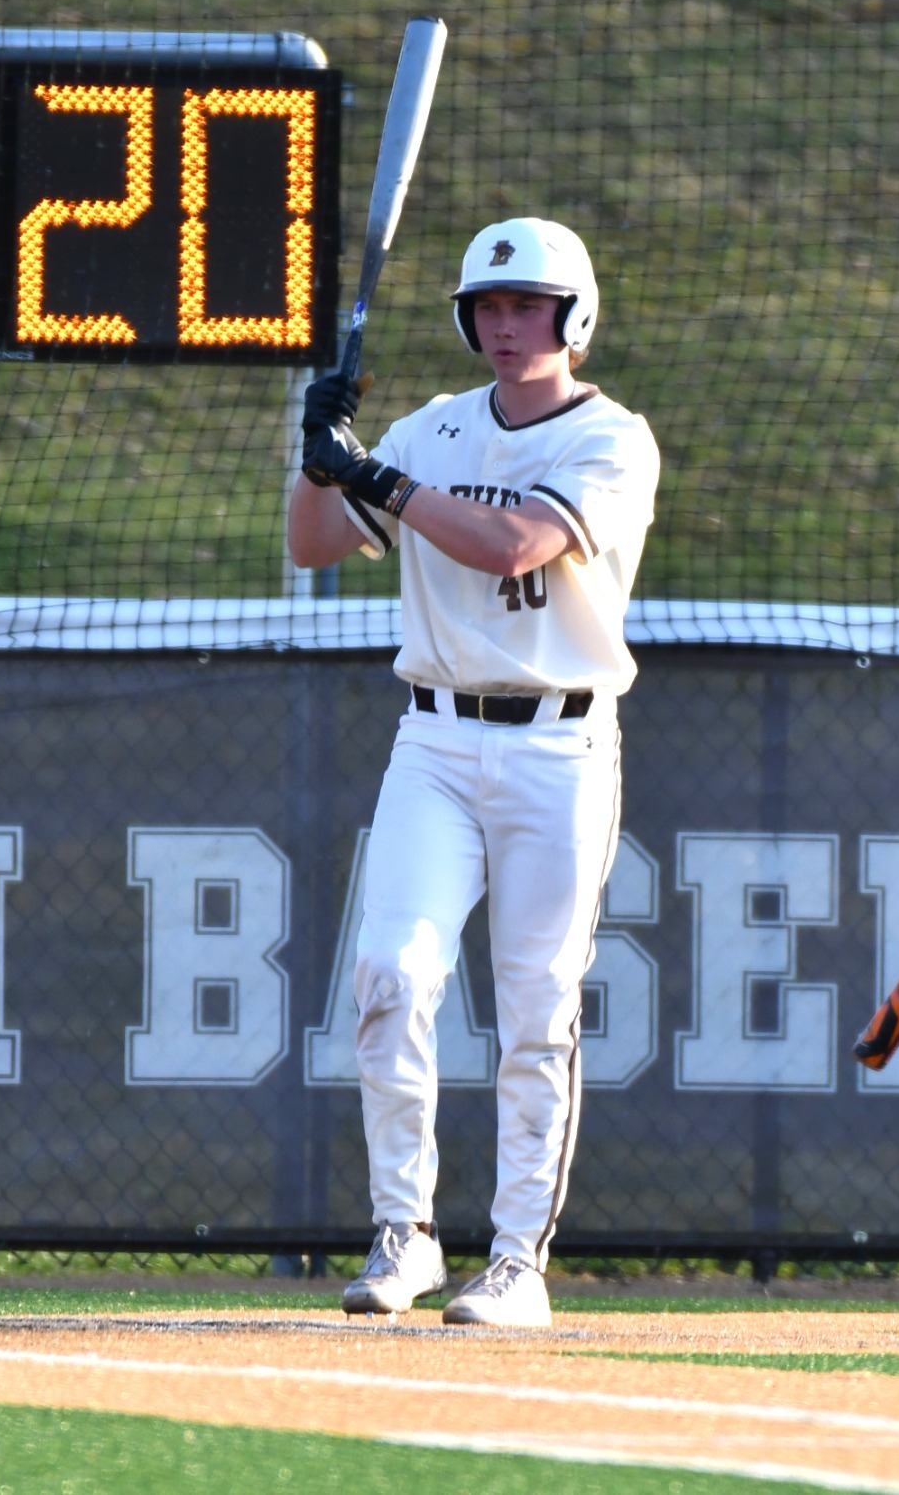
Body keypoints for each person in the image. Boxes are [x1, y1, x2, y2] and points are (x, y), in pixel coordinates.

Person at [287, 218, 659, 1327]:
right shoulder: (427, 431)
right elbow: (314, 541)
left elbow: (512, 547)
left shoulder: (611, 438)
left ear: (572, 318)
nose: (506, 326)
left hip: (559, 742)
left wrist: (379, 477)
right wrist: (316, 447)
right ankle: (402, 1233)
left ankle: (515, 1260)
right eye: (489, 308)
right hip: (436, 738)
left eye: (529, 308)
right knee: (389, 973)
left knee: (537, 1004)